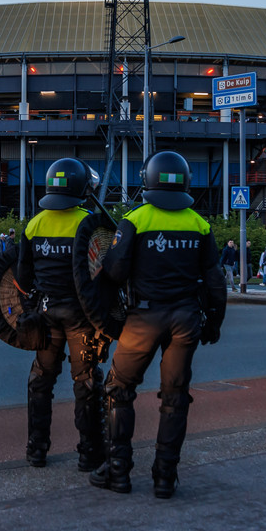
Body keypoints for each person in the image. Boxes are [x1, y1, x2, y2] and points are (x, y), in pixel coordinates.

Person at [90, 151, 227, 499]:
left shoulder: (136, 219)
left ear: (147, 178)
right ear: (184, 180)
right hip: (186, 319)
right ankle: (165, 477)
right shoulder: (199, 223)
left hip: (143, 319)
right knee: (175, 396)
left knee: (119, 389)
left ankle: (117, 472)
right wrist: (215, 321)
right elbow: (215, 280)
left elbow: (115, 273)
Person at [18, 158, 105, 470]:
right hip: (81, 317)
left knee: (40, 381)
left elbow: (22, 275)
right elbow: (104, 272)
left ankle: (36, 450)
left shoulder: (34, 224)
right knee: (86, 382)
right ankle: (89, 453)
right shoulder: (89, 221)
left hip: (46, 313)